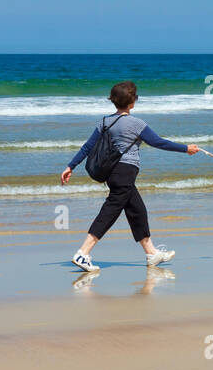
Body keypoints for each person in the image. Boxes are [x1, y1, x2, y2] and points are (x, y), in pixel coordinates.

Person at [61, 81, 199, 271]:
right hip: (125, 172)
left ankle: (152, 254)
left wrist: (71, 166)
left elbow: (88, 147)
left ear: (114, 101)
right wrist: (186, 149)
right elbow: (158, 142)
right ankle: (83, 253)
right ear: (132, 101)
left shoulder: (104, 121)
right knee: (110, 212)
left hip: (113, 174)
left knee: (137, 210)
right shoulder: (136, 124)